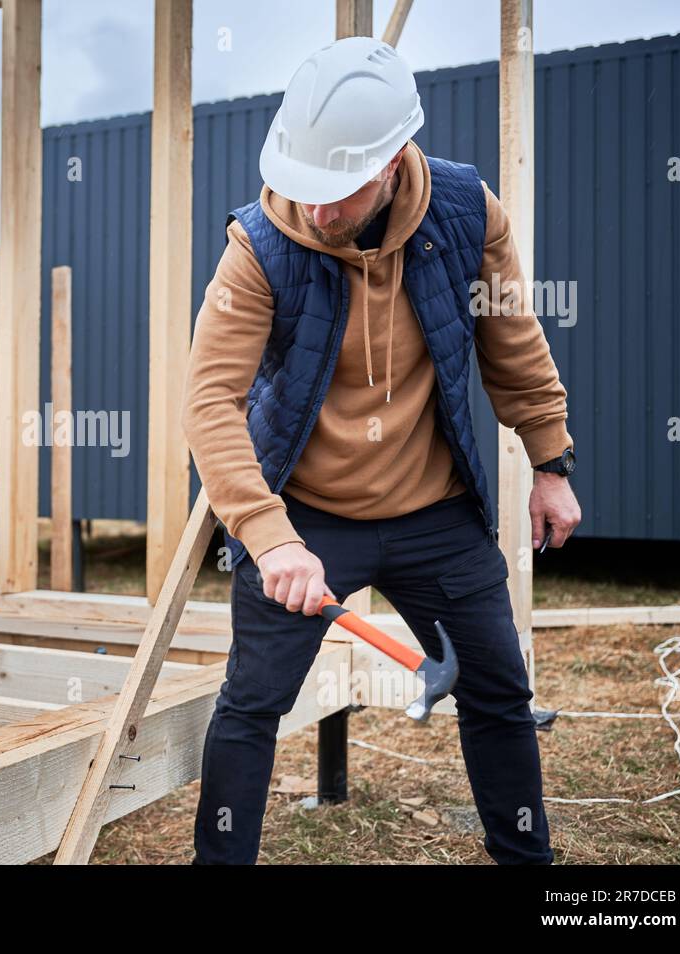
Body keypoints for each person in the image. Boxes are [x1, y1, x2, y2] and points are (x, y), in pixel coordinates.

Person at [182, 36, 581, 865]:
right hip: (305, 519)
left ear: (396, 159)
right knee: (252, 704)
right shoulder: (259, 245)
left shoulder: (469, 213)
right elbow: (209, 403)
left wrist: (550, 461)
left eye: (339, 192)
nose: (318, 212)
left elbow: (512, 337)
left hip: (433, 512)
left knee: (499, 691)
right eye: (304, 189)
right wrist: (268, 534)